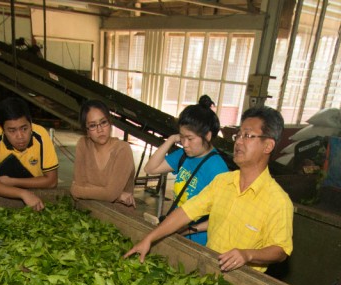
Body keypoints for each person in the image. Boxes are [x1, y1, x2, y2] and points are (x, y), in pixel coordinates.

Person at [124, 106, 293, 273]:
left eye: (248, 136)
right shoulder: (222, 183)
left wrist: (247, 255)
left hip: (243, 283)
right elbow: (186, 212)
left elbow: (280, 250)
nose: (239, 141)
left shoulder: (278, 200)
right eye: (238, 135)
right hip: (209, 269)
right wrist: (149, 239)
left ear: (268, 146)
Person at [143, 103, 229, 245]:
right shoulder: (184, 154)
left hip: (198, 241)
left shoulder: (218, 169)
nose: (185, 144)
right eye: (182, 137)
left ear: (207, 136)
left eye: (190, 138)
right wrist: (170, 139)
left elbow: (222, 216)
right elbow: (150, 168)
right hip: (176, 231)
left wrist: (189, 229)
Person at [0, 96, 59, 210]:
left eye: (24, 128)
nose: (20, 136)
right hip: (2, 201)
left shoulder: (41, 135)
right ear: (2, 129)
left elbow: (51, 181)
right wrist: (23, 194)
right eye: (12, 130)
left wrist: (13, 182)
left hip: (37, 199)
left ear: (31, 124)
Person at [69, 100, 135, 208]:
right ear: (87, 131)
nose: (100, 130)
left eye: (103, 122)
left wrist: (77, 190)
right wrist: (117, 196)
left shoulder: (122, 149)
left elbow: (109, 194)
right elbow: (80, 184)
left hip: (119, 216)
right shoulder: (83, 145)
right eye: (92, 125)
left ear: (110, 122)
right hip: (89, 209)